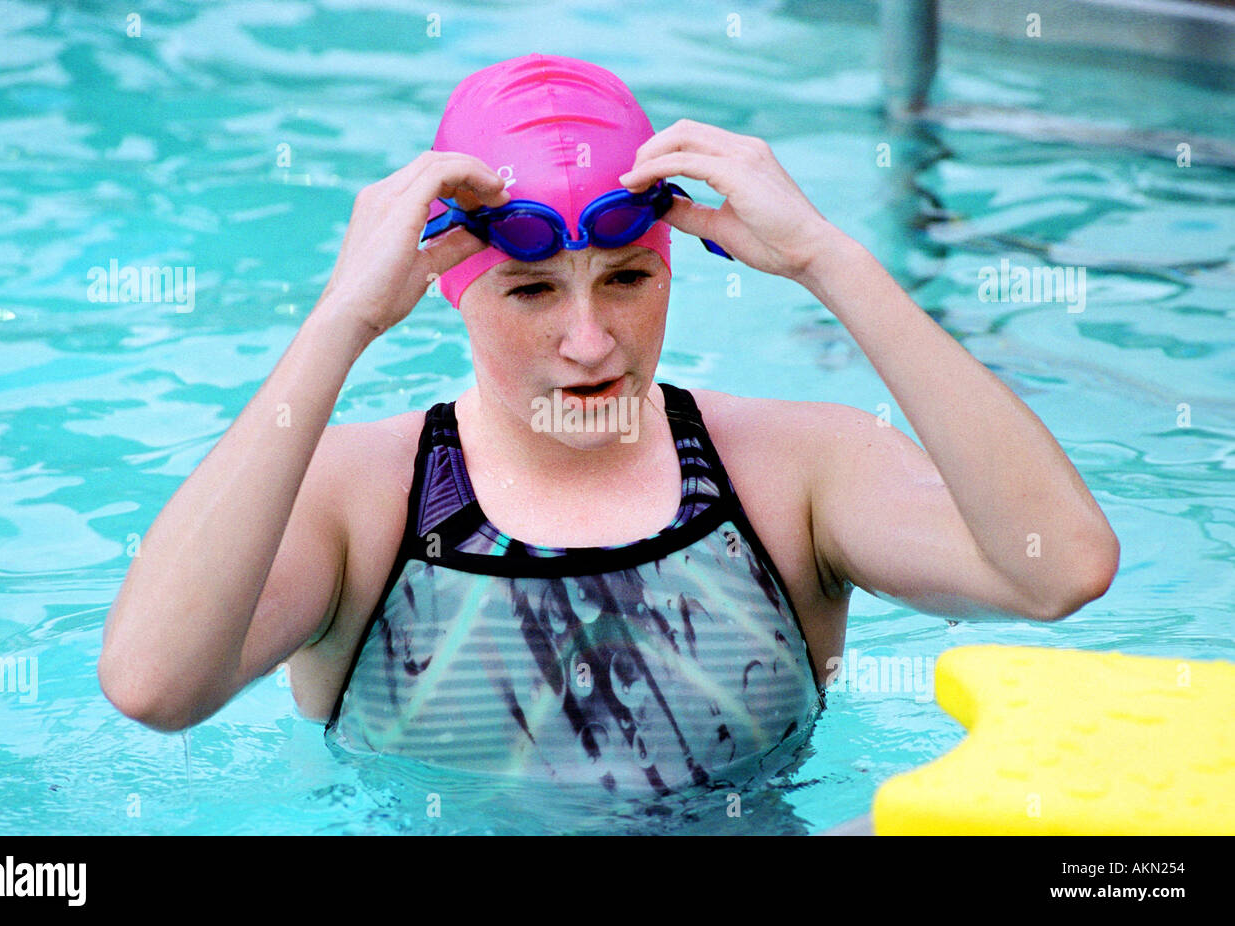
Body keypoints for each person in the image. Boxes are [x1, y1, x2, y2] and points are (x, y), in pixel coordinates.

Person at [99, 54, 1119, 796]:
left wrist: (827, 259)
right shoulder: (356, 498)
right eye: (531, 292)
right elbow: (154, 685)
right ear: (449, 289)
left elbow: (1058, 569)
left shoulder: (796, 470)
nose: (590, 341)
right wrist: (339, 320)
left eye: (627, 279)